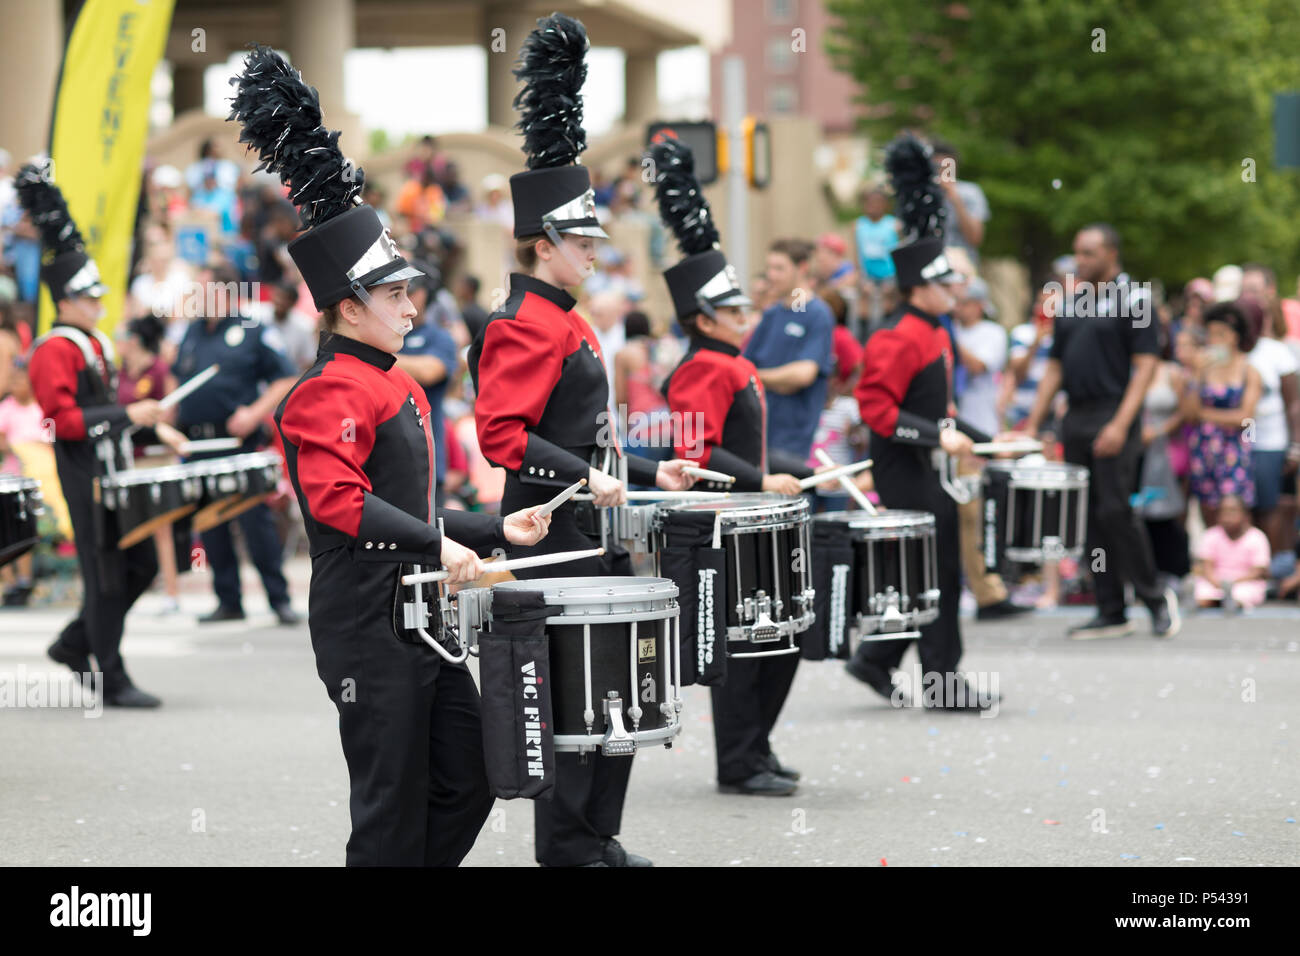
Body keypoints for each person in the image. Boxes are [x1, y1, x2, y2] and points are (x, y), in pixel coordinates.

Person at [231, 44, 552, 866]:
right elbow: (341, 506)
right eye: (395, 294)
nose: (413, 306)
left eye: (410, 291)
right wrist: (439, 543)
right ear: (346, 307)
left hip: (421, 620)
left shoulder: (398, 384)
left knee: (475, 773)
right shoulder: (326, 390)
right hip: (366, 626)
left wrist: (490, 527)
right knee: (388, 806)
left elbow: (413, 512)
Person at [468, 13, 694, 868]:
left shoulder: (565, 319)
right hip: (548, 534)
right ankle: (569, 846)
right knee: (570, 692)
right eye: (584, 239)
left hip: (586, 524)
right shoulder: (525, 324)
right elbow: (502, 436)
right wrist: (587, 481)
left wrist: (642, 465)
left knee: (610, 684)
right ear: (543, 243)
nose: (597, 250)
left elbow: (586, 436)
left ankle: (595, 836)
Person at [651, 136, 807, 794]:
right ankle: (738, 762)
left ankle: (758, 748)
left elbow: (743, 446)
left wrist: (783, 468)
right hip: (722, 524)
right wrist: (757, 478)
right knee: (744, 644)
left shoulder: (732, 361)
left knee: (781, 636)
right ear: (704, 317)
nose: (748, 315)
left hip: (752, 514)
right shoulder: (701, 368)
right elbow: (693, 451)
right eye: (736, 308)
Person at [18, 160, 174, 706]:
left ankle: (74, 642)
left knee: (140, 562)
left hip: (115, 468)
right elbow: (63, 421)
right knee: (106, 571)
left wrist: (147, 423)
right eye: (87, 298)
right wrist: (129, 416)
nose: (98, 305)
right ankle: (110, 673)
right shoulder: (54, 348)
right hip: (82, 472)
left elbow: (109, 410)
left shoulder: (94, 343)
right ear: (63, 301)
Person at [848, 234, 996, 710]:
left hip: (927, 465)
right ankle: (941, 683)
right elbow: (875, 409)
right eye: (945, 280)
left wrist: (992, 441)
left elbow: (938, 410)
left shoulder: (935, 329)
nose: (955, 288)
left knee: (929, 571)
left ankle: (876, 658)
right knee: (940, 570)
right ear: (918, 287)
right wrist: (937, 438)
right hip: (904, 469)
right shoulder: (896, 335)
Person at [1021, 223, 1180, 639]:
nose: (1081, 261)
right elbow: (1054, 367)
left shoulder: (1137, 299)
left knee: (1115, 511)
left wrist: (1121, 423)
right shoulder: (1070, 303)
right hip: (1076, 415)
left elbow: (1146, 366)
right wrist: (1034, 423)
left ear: (1111, 253)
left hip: (1115, 414)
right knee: (1086, 517)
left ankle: (1155, 598)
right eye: (1077, 253)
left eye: (1089, 253)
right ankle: (1110, 608)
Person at [172, 263, 301, 625]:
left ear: (225, 292)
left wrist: (255, 413)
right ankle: (228, 599)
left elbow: (284, 378)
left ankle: (279, 599)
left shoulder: (251, 329)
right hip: (198, 445)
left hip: (238, 444)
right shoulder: (192, 333)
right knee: (211, 525)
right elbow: (178, 378)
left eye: (204, 290)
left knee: (254, 524)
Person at [744, 238, 835, 468]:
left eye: (779, 268)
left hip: (793, 443)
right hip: (759, 436)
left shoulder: (817, 314)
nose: (771, 275)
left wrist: (758, 377)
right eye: (769, 268)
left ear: (802, 267)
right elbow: (743, 366)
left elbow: (803, 375)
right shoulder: (771, 314)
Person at [116, 315, 182, 614]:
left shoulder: (158, 369)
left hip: (156, 455)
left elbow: (170, 412)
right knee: (130, 525)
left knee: (161, 527)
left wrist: (152, 418)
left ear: (134, 339)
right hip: (129, 457)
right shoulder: (120, 373)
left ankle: (171, 591)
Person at [1181, 301, 1260, 529]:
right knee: (1208, 510)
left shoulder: (1249, 371)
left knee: (1235, 512)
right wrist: (1196, 374)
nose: (1214, 340)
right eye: (1211, 334)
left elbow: (1246, 418)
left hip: (1235, 450)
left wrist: (1205, 414)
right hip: (1205, 449)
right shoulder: (1200, 372)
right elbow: (1189, 414)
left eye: (1221, 334)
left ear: (1235, 337)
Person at [394, 263, 459, 509]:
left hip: (427, 460)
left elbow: (430, 371)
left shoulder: (439, 337)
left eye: (409, 290)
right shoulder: (383, 335)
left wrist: (376, 355)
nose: (406, 298)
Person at [1240, 295, 1300, 557]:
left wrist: (1295, 445)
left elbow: (1293, 404)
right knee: (1243, 506)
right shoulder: (1233, 351)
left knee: (1269, 505)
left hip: (1271, 442)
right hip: (1242, 441)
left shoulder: (1276, 352)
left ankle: (1273, 564)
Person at [1192, 495, 1270, 611]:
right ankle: (1211, 601)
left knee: (1243, 592)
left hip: (1244, 582)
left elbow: (1257, 571)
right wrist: (1218, 583)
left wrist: (1232, 583)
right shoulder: (1211, 535)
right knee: (1202, 589)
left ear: (1246, 516)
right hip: (1216, 581)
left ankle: (1231, 602)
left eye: (1232, 512)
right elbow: (1207, 567)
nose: (1227, 517)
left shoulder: (1257, 537)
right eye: (1224, 512)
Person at [929, 141, 988, 264]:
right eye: (937, 167)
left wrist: (955, 199)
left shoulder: (971, 192)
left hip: (963, 266)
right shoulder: (924, 195)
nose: (941, 172)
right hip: (930, 265)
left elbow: (975, 238)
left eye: (946, 167)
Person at [853, 186, 899, 322]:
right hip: (868, 274)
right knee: (864, 298)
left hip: (888, 274)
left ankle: (887, 325)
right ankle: (864, 330)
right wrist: (860, 277)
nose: (873, 206)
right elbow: (857, 253)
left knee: (888, 301)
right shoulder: (858, 225)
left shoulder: (893, 225)